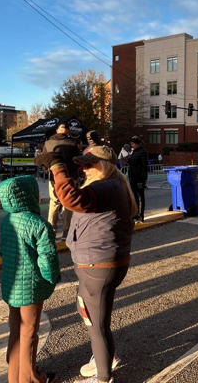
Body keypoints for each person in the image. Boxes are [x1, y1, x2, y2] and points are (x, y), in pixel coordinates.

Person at [49, 145, 137, 383]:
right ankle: (103, 357)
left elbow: (70, 199)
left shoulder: (106, 186)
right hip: (98, 264)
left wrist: (57, 168)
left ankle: (103, 376)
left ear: (104, 165)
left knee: (97, 324)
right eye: (81, 164)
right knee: (86, 310)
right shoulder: (112, 185)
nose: (84, 168)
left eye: (89, 164)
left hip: (99, 266)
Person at [0, 175, 60, 383]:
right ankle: (30, 379)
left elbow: (2, 252)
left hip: (11, 285)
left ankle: (14, 376)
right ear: (28, 196)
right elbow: (47, 258)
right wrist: (52, 278)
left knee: (15, 332)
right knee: (29, 334)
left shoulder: (7, 221)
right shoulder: (39, 224)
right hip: (31, 287)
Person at [40, 121, 81, 239]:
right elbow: (76, 161)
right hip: (70, 177)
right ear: (67, 131)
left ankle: (51, 231)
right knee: (68, 203)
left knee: (54, 203)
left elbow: (43, 160)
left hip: (54, 177)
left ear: (57, 130)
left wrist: (48, 170)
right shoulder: (72, 143)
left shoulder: (48, 143)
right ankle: (66, 232)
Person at [127, 135, 148, 223]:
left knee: (140, 197)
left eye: (132, 144)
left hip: (139, 178)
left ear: (137, 144)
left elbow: (144, 166)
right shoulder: (133, 151)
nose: (131, 145)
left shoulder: (142, 152)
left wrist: (143, 179)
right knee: (133, 196)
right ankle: (135, 215)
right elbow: (131, 162)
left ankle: (140, 215)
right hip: (132, 177)